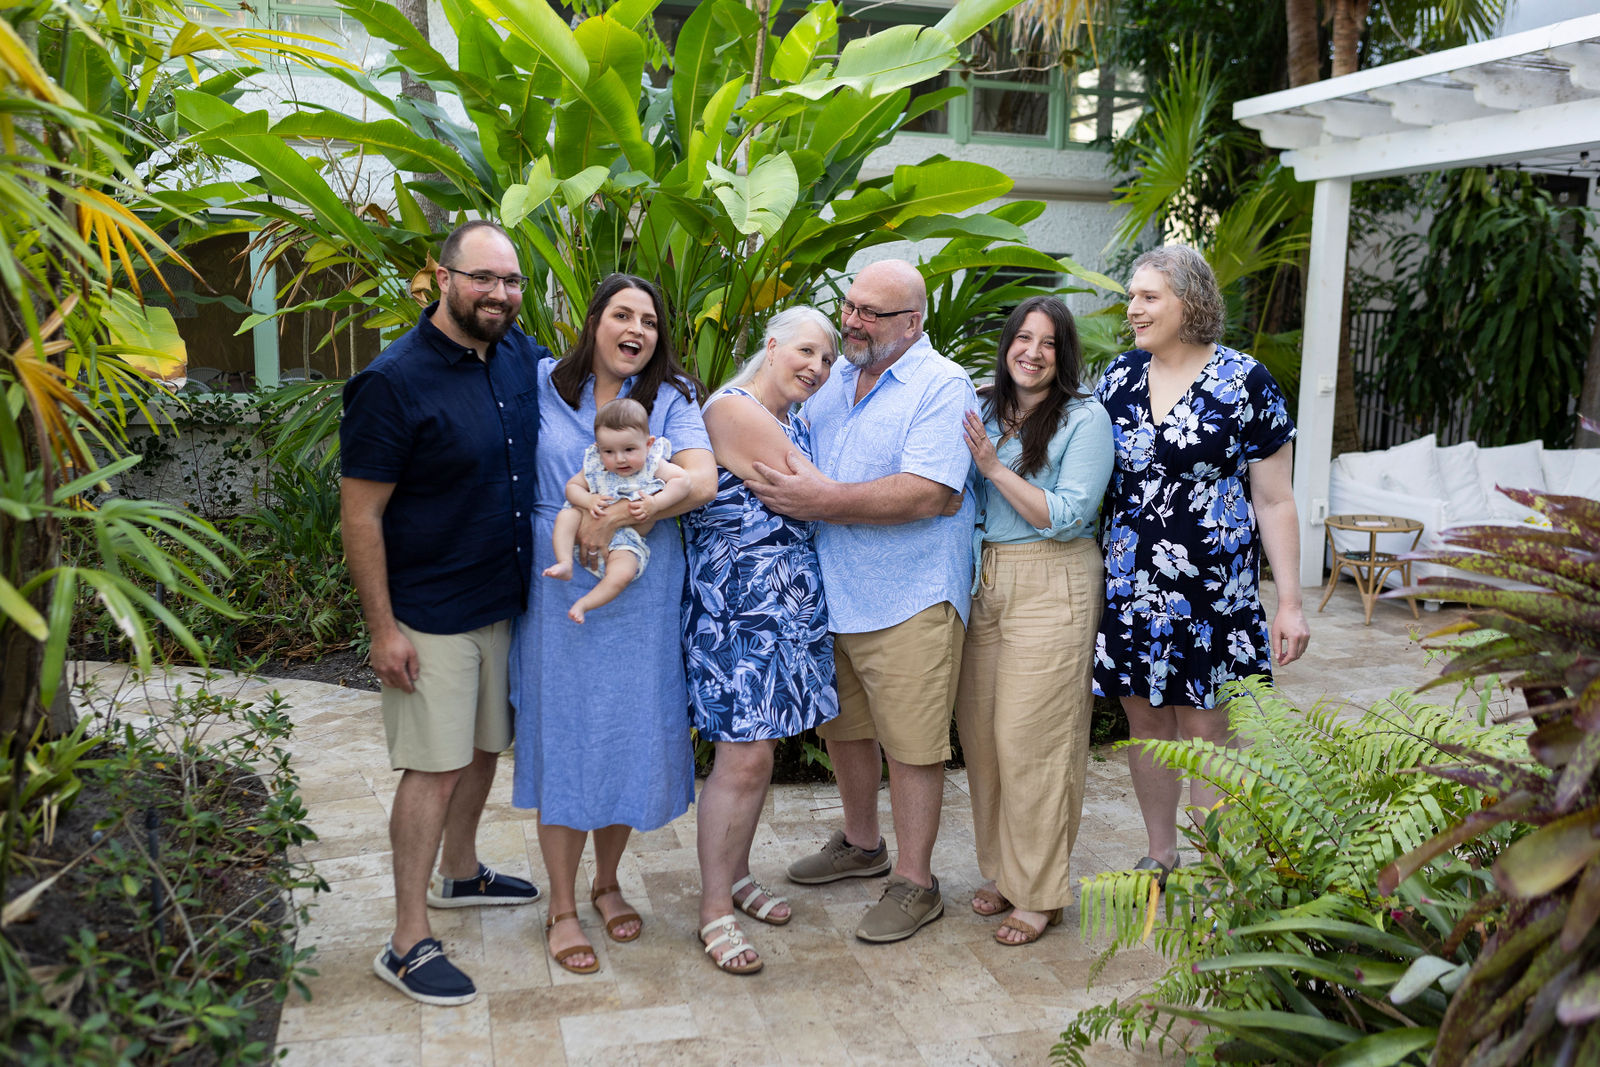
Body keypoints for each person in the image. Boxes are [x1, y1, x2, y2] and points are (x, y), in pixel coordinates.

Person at [340, 220, 545, 1006]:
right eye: (483, 277)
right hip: (429, 608)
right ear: (443, 277)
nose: (499, 292)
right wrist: (382, 629)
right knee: (434, 765)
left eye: (511, 280)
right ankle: (406, 938)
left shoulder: (517, 354)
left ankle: (461, 871)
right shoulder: (392, 381)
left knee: (484, 747)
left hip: (503, 598)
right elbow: (361, 515)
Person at [749, 258, 976, 944]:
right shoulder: (834, 376)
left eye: (870, 313)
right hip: (833, 588)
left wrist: (822, 500)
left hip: (909, 594)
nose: (851, 321)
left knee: (911, 743)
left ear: (912, 322)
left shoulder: (942, 384)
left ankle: (915, 881)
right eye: (849, 306)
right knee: (845, 729)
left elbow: (930, 491)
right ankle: (861, 843)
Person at [511, 274, 716, 975]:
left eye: (650, 321)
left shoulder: (673, 397)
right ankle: (562, 905)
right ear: (594, 320)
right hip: (558, 580)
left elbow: (702, 479)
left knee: (625, 730)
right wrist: (585, 521)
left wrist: (627, 513)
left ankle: (606, 883)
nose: (637, 329)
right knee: (567, 733)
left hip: (641, 583)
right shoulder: (541, 383)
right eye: (622, 314)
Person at [1093, 244, 1310, 886]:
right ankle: (1160, 852)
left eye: (1148, 297)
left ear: (1189, 302)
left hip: (1215, 596)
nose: (1133, 309)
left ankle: (1219, 868)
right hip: (1133, 591)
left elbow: (1275, 500)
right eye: (1132, 297)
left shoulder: (1246, 382)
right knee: (1146, 725)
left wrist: (1291, 603)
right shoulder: (1118, 379)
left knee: (1208, 728)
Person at [684, 307, 843, 975]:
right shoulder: (734, 409)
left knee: (759, 753)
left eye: (828, 359)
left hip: (783, 612)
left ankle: (738, 874)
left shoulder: (790, 417)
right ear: (772, 345)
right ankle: (713, 907)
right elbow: (819, 493)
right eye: (807, 350)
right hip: (738, 616)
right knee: (743, 759)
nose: (818, 367)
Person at [955, 296, 1113, 946]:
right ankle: (1003, 871)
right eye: (1023, 338)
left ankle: (1040, 890)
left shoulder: (1085, 418)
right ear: (1007, 344)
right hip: (985, 578)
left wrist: (994, 466)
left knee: (1035, 740)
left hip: (1054, 577)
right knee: (984, 738)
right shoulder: (986, 409)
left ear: (1063, 353)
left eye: (1048, 342)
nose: (1033, 352)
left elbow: (1069, 514)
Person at [543, 397, 692, 622]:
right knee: (566, 515)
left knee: (623, 573)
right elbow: (572, 487)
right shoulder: (595, 463)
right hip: (587, 523)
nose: (620, 459)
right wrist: (587, 500)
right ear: (598, 448)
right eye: (609, 451)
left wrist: (656, 503)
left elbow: (683, 481)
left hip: (627, 540)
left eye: (629, 449)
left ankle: (585, 604)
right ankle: (565, 562)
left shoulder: (653, 462)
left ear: (648, 444)